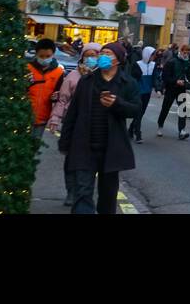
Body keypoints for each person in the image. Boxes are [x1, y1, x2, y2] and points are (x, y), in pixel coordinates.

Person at [58, 45, 140, 214]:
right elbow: (73, 112)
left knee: (108, 196)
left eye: (108, 54)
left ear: (118, 59)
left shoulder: (127, 82)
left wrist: (117, 104)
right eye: (101, 53)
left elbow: (136, 109)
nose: (102, 56)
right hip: (84, 146)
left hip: (111, 148)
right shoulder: (87, 80)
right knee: (83, 193)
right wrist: (65, 142)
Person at [48, 43, 100, 206]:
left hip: (94, 125)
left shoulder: (102, 77)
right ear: (82, 56)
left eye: (95, 55)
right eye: (88, 55)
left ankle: (84, 193)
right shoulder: (72, 76)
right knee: (71, 158)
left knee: (90, 161)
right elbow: (62, 99)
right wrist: (55, 118)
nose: (91, 58)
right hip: (74, 123)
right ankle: (71, 191)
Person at [27, 38, 64, 144]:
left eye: (48, 56)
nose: (44, 59)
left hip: (43, 117)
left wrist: (55, 97)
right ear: (36, 54)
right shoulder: (28, 68)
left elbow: (59, 94)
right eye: (41, 56)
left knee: (34, 146)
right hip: (25, 115)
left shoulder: (58, 72)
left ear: (53, 55)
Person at [157, 44, 190, 140]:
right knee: (165, 108)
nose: (186, 55)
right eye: (184, 52)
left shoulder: (188, 64)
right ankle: (160, 126)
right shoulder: (172, 62)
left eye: (188, 53)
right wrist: (175, 81)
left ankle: (182, 130)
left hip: (181, 89)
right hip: (171, 88)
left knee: (183, 109)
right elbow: (165, 77)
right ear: (181, 51)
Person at [128, 46, 157, 143]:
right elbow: (132, 78)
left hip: (147, 92)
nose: (154, 57)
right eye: (152, 55)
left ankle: (131, 130)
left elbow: (155, 78)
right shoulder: (137, 64)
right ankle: (138, 134)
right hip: (138, 92)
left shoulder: (154, 65)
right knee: (139, 112)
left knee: (141, 113)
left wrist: (158, 88)